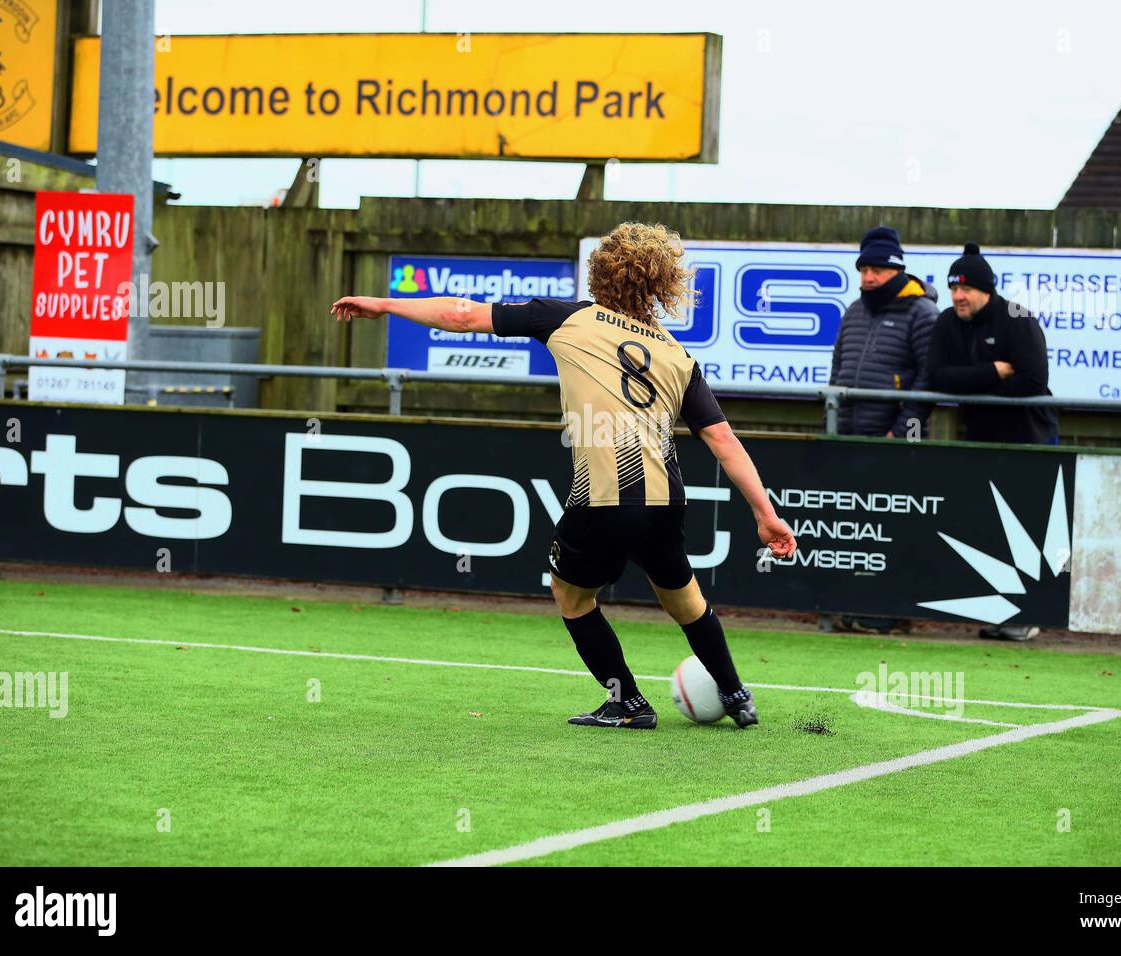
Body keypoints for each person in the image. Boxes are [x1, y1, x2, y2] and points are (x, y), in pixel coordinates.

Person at [331, 222, 797, 728]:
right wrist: (766, 515)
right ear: (663, 284)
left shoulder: (568, 318)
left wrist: (382, 304)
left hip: (603, 497)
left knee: (571, 595)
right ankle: (735, 694)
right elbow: (723, 440)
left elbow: (460, 314)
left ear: (600, 274)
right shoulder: (677, 355)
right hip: (667, 498)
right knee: (685, 599)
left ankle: (629, 703)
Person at [927, 242, 1058, 641]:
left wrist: (975, 382)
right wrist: (994, 372)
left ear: (987, 289)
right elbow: (937, 377)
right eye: (953, 289)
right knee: (991, 528)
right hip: (981, 439)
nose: (958, 297)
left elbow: (1033, 380)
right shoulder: (948, 322)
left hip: (1029, 438)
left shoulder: (1017, 318)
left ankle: (1031, 615)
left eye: (966, 289)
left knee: (1030, 527)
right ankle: (1005, 614)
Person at [831, 225, 939, 440]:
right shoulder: (853, 311)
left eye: (877, 271)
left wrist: (901, 433)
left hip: (898, 442)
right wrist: (831, 420)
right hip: (845, 437)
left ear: (897, 270)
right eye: (864, 271)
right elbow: (837, 371)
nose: (868, 278)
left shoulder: (923, 313)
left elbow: (928, 382)